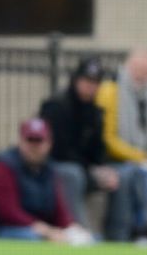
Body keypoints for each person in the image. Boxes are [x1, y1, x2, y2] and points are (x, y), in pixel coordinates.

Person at [96, 48, 147, 241]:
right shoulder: (111, 91)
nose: (144, 75)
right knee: (134, 175)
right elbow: (109, 138)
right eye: (140, 69)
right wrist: (144, 159)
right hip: (116, 160)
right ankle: (132, 231)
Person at [0, 117, 91, 243]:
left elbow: (59, 211)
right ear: (21, 141)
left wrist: (72, 229)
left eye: (39, 140)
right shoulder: (2, 167)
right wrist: (45, 230)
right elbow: (7, 212)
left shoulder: (50, 170)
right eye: (30, 140)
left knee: (87, 240)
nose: (34, 146)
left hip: (38, 228)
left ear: (49, 143)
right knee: (33, 238)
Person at [38, 57, 120, 228]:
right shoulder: (57, 106)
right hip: (54, 165)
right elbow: (59, 151)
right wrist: (89, 170)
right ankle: (76, 227)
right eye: (86, 80)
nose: (90, 86)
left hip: (83, 167)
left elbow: (97, 151)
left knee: (116, 177)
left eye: (95, 82)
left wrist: (102, 169)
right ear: (76, 80)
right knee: (73, 174)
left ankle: (118, 234)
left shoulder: (95, 111)